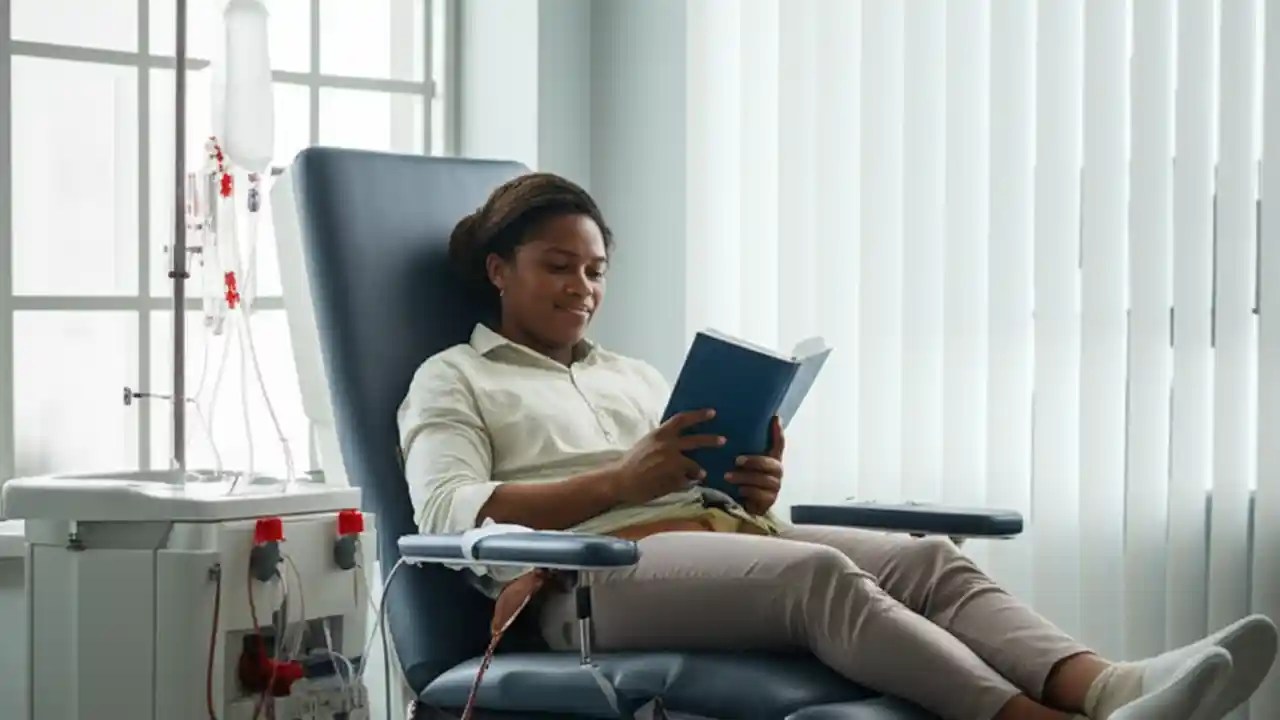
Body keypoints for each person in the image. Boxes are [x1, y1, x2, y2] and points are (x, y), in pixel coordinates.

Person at [397, 172, 1277, 720]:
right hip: (582, 586)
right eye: (558, 266)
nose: (583, 288)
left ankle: (1110, 688)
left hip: (704, 540)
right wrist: (621, 482)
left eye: (596, 271)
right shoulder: (452, 378)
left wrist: (749, 484)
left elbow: (681, 488)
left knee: (927, 559)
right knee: (816, 577)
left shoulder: (630, 373)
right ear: (499, 270)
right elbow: (446, 516)